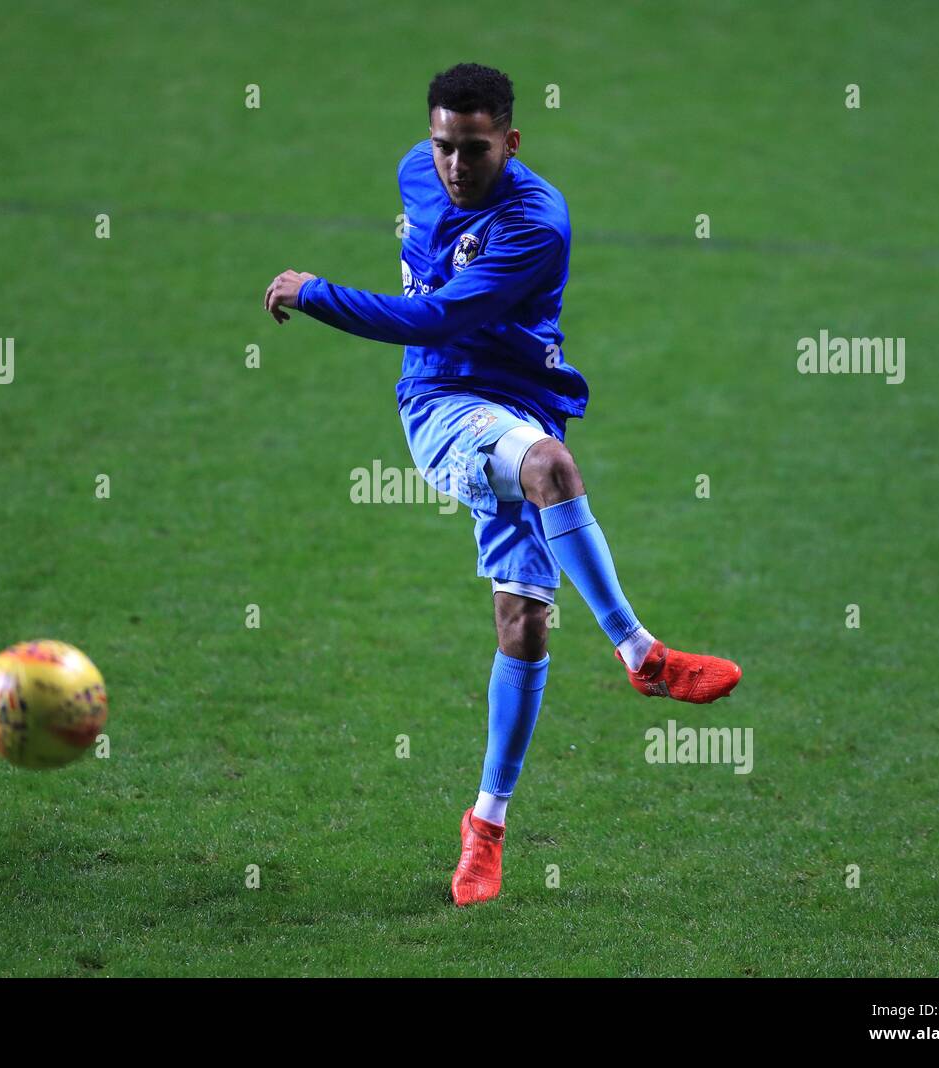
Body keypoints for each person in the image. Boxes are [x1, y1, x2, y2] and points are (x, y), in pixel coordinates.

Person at [263, 62, 742, 906]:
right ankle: (642, 654)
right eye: (444, 146)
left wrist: (317, 294)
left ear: (510, 142)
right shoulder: (420, 168)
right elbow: (435, 339)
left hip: (519, 402)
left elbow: (438, 314)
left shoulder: (536, 223)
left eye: (474, 150)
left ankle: (484, 827)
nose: (453, 166)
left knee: (523, 625)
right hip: (442, 405)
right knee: (551, 471)